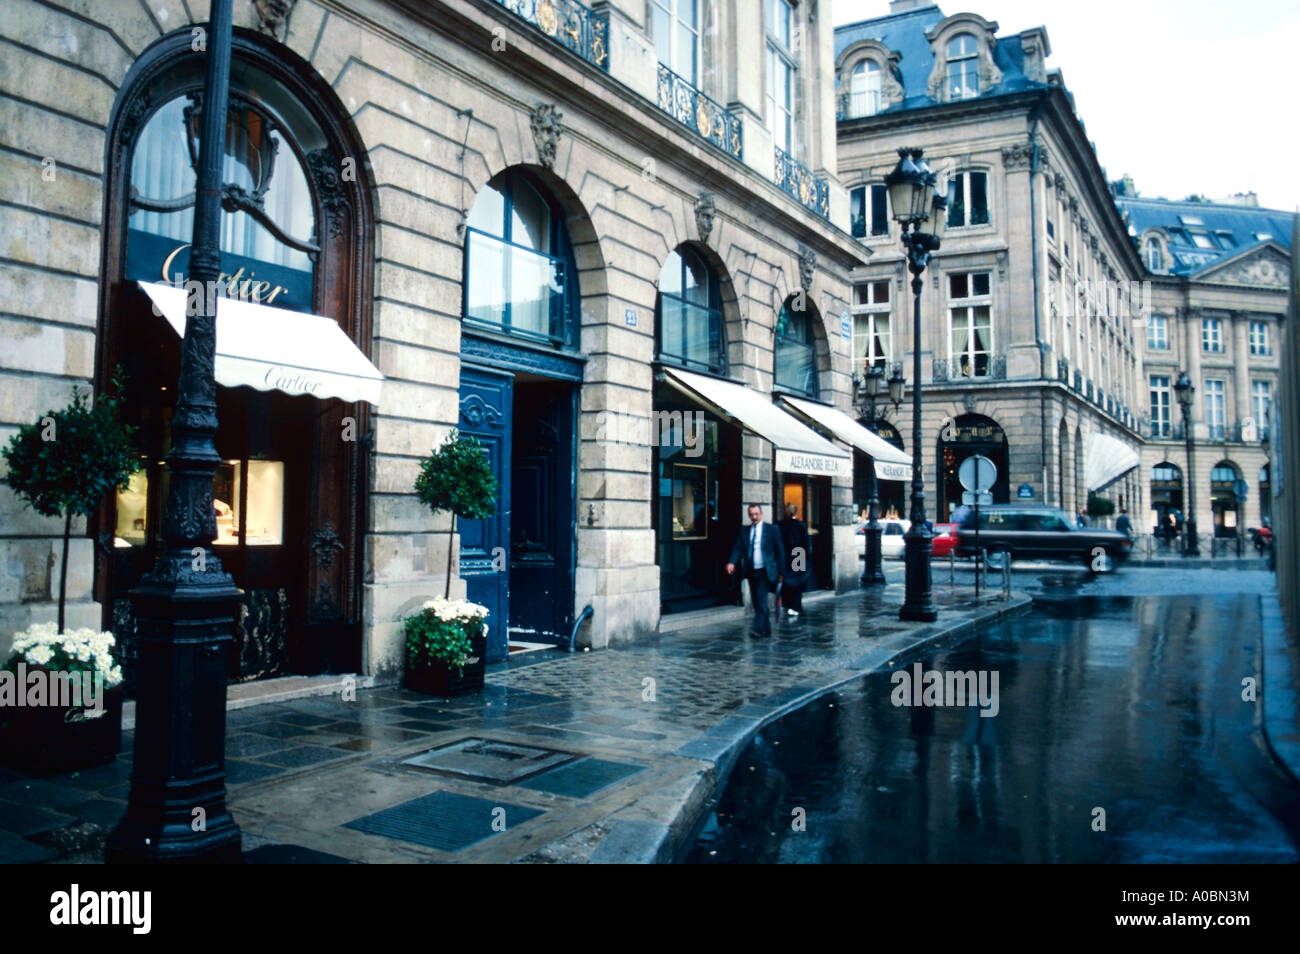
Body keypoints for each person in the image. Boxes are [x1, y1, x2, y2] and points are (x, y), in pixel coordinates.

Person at [727, 503, 784, 638]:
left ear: (761, 514)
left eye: (756, 514)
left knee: (760, 598)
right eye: (751, 514)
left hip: (766, 570)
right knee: (756, 601)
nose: (754, 517)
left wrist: (782, 572)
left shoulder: (772, 529)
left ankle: (757, 629)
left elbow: (780, 551)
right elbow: (738, 547)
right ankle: (766, 628)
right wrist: (731, 562)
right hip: (751, 571)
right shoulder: (744, 531)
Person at [777, 503, 810, 618]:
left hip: (785, 554)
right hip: (798, 553)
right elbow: (806, 543)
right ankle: (795, 606)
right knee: (797, 581)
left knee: (786, 580)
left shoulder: (780, 525)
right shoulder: (801, 525)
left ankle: (787, 604)